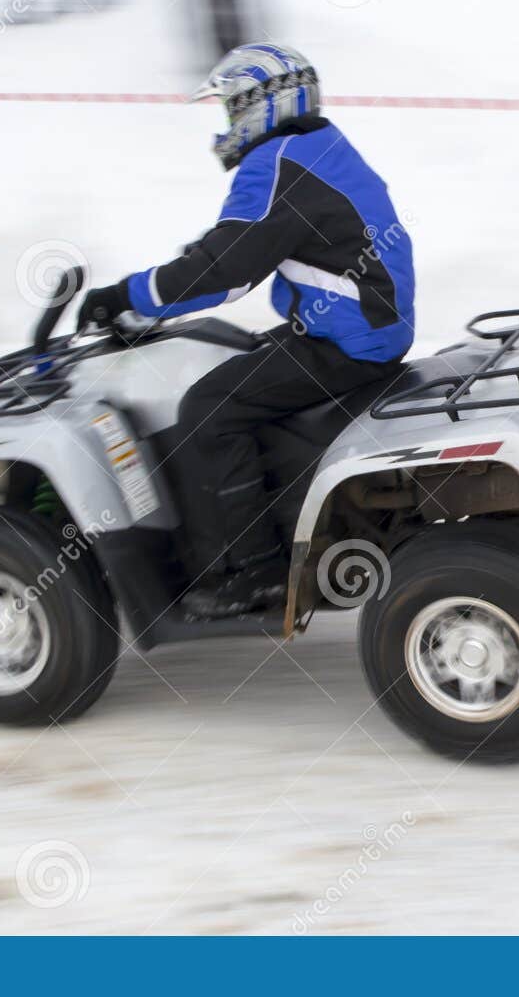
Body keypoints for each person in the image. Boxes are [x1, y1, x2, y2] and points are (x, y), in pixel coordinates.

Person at [81, 44, 416, 618]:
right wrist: (185, 273)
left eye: (233, 109)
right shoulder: (319, 145)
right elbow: (240, 248)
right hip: (364, 325)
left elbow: (225, 274)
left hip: (346, 338)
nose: (229, 124)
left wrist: (126, 297)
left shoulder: (275, 161)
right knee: (238, 368)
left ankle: (252, 572)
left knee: (209, 412)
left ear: (262, 105)